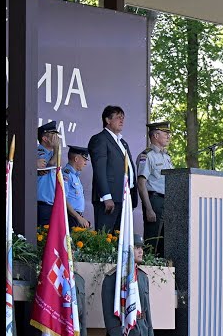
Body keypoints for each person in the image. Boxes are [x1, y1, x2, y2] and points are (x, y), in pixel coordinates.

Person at [102, 236, 155, 336]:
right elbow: (109, 312)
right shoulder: (114, 278)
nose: (141, 251)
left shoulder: (143, 277)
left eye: (141, 248)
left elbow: (147, 310)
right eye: (137, 247)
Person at [88, 105, 137, 235]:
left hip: (124, 198)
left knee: (119, 240)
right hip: (109, 199)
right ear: (107, 120)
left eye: (123, 118)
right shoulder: (100, 139)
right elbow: (99, 170)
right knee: (104, 239)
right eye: (118, 117)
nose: (122, 120)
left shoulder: (123, 142)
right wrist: (106, 197)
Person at [137, 121, 175, 258]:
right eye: (166, 133)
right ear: (156, 135)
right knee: (152, 241)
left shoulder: (167, 157)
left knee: (165, 243)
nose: (169, 136)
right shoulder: (147, 156)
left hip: (168, 202)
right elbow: (141, 183)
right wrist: (148, 208)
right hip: (154, 201)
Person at [35, 121, 63, 227]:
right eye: (53, 135)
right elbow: (49, 166)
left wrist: (56, 151)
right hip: (41, 204)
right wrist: (57, 149)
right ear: (45, 138)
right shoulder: (38, 152)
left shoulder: (53, 154)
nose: (57, 138)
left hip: (52, 204)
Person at [61, 146, 91, 229]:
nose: (85, 163)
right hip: (69, 216)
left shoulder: (75, 175)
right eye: (84, 160)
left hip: (75, 216)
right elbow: (63, 199)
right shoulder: (66, 175)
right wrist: (78, 217)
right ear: (76, 159)